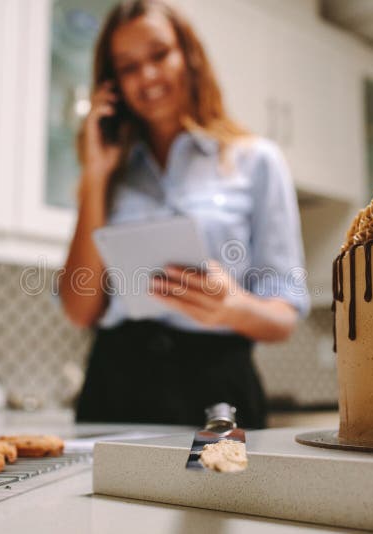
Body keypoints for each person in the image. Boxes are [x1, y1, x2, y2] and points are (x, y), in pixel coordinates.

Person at [59, 0, 308, 428]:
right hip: (114, 387)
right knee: (102, 498)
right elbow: (80, 311)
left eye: (159, 55)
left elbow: (284, 316)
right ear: (113, 83)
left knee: (216, 494)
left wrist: (233, 307)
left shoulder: (255, 160)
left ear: (189, 56)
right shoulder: (108, 172)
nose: (148, 76)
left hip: (218, 386)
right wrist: (96, 175)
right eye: (128, 66)